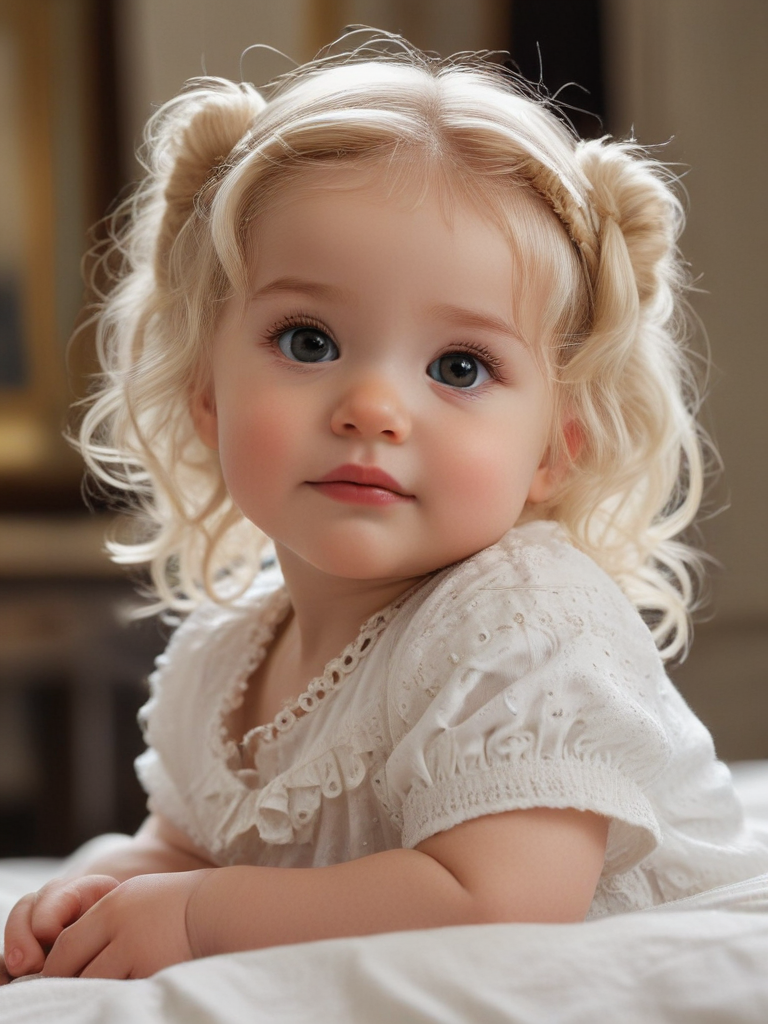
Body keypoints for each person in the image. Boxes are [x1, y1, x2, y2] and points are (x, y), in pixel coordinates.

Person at [3, 32, 767, 983]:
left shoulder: (526, 620)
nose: (372, 407)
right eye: (309, 340)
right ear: (207, 392)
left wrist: (200, 920)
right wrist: (108, 883)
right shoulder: (226, 655)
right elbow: (192, 847)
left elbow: (499, 900)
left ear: (554, 451)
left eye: (460, 367)